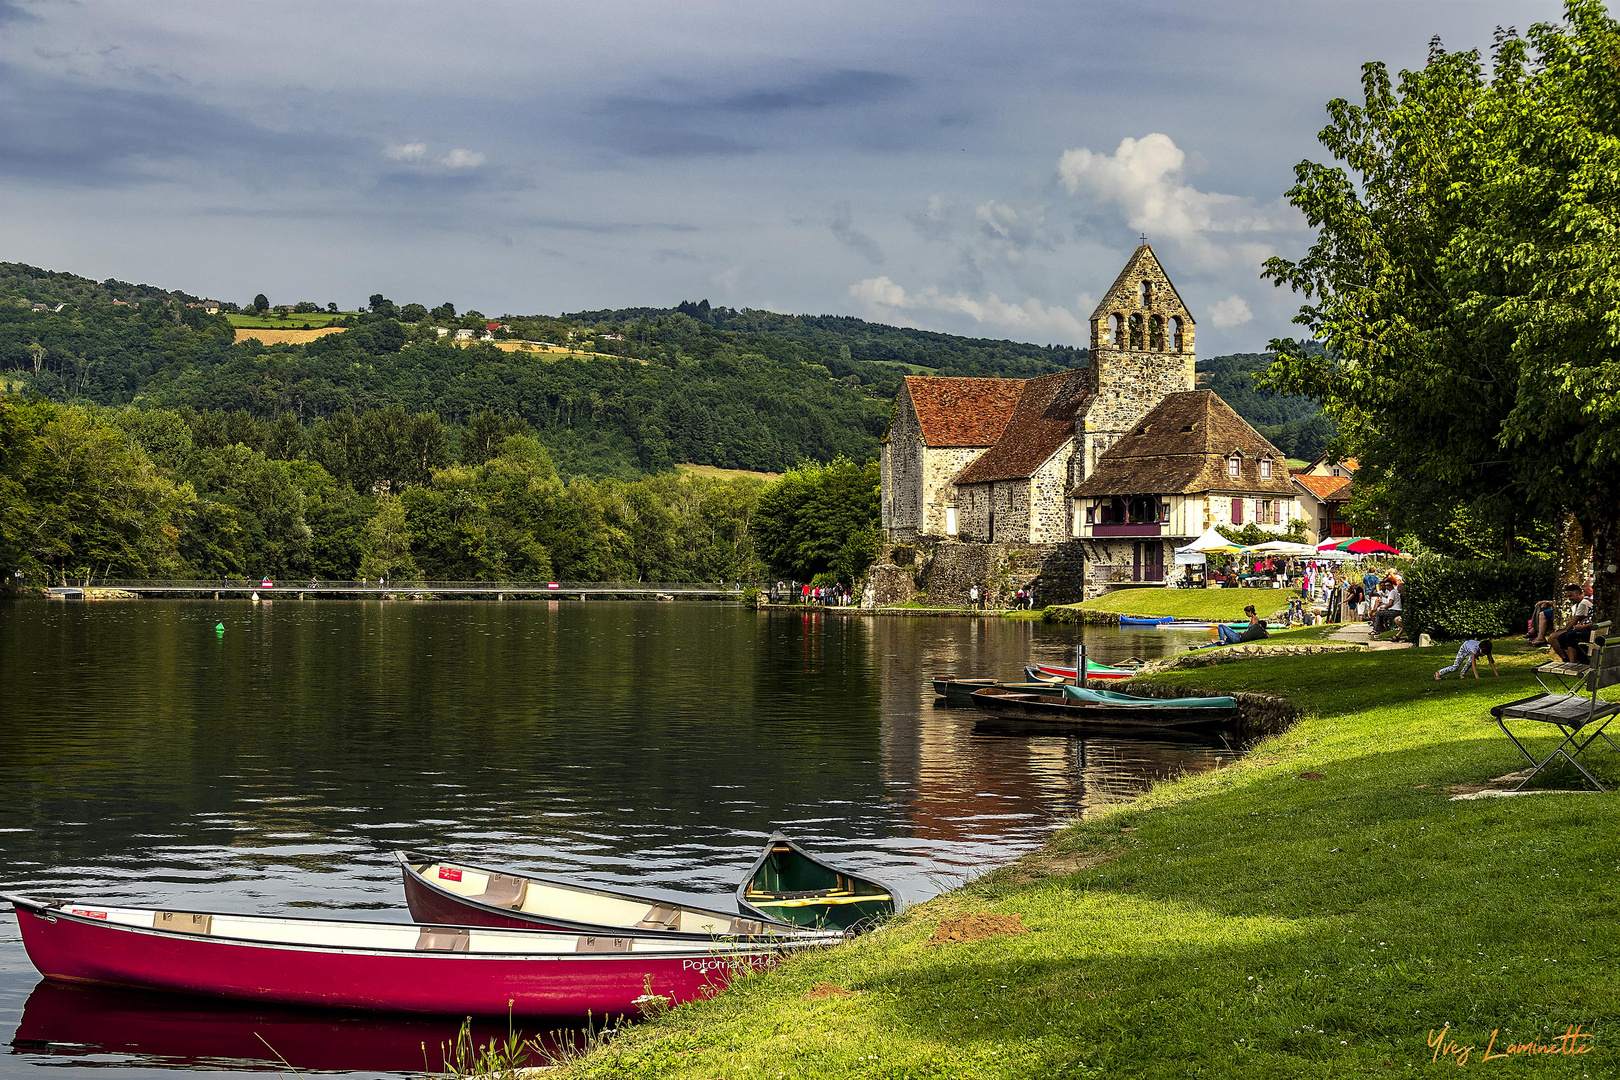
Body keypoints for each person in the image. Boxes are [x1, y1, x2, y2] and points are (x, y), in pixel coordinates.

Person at [1550, 582, 1595, 663]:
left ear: (1577, 593)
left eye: (1570, 596)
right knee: (1559, 635)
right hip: (1584, 627)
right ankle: (1567, 659)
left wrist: (1565, 630)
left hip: (1589, 629)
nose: (1569, 598)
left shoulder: (1584, 603)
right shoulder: (1580, 603)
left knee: (1559, 637)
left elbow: (1574, 621)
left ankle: (1570, 661)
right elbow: (1585, 618)